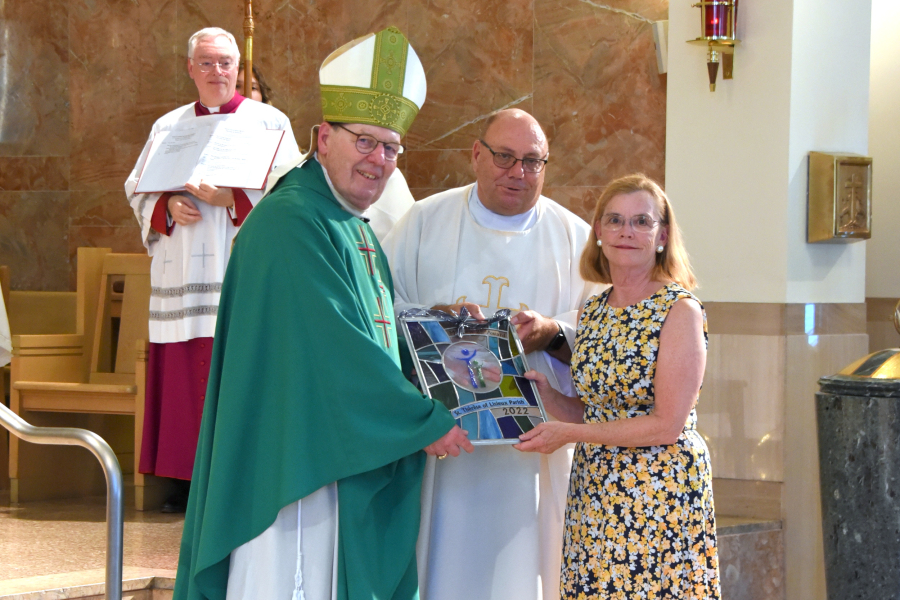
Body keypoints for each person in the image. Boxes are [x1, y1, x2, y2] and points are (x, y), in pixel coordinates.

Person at [173, 27, 472, 600]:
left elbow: (373, 330)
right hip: (294, 468)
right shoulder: (292, 221)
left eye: (391, 148)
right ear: (324, 137)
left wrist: (444, 333)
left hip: (331, 451)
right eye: (365, 142)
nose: (378, 160)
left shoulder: (350, 224)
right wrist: (421, 419)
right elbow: (334, 346)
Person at [381, 108, 600, 600]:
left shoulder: (575, 237)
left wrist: (552, 333)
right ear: (476, 154)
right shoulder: (424, 222)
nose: (518, 172)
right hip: (446, 443)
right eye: (504, 156)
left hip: (534, 454)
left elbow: (603, 335)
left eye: (532, 161)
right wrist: (436, 319)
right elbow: (380, 306)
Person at [515, 174, 720, 599]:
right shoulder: (593, 310)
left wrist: (569, 434)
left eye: (641, 221)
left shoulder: (679, 310)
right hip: (596, 486)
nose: (626, 231)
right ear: (598, 231)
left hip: (658, 491)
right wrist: (548, 397)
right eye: (615, 220)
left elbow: (666, 425)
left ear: (662, 236)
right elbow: (598, 413)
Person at [124, 27, 301, 512]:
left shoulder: (270, 123)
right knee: (185, 380)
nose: (217, 72)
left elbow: (292, 192)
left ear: (238, 67)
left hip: (239, 266)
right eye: (206, 62)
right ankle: (186, 484)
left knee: (242, 372)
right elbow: (136, 186)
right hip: (182, 270)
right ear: (190, 68)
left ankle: (242, 480)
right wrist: (165, 205)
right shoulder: (169, 127)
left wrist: (234, 199)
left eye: (225, 63)